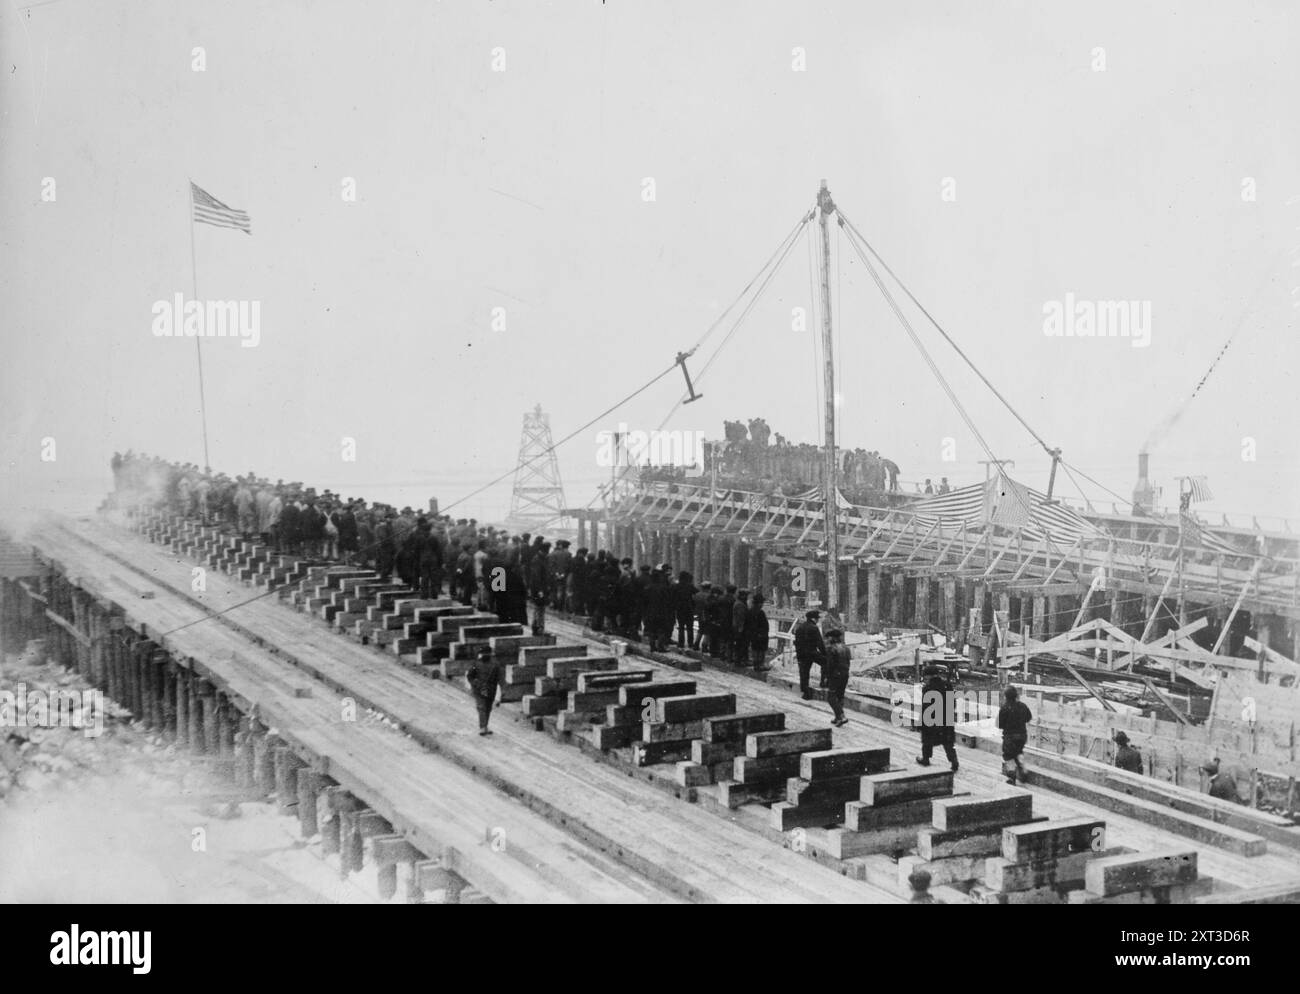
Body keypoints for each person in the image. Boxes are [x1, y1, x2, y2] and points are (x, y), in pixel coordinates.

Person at [916, 663, 958, 772]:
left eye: (925, 677)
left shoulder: (927, 688)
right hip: (946, 719)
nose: (924, 679)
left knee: (927, 740)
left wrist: (921, 723)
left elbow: (926, 707)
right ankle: (954, 762)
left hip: (932, 719)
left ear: (928, 676)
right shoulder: (947, 685)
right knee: (948, 742)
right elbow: (953, 703)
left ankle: (926, 759)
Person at [996, 686, 1032, 785]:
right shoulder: (1023, 706)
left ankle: (1012, 777)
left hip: (1010, 737)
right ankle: (1023, 768)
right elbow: (1029, 718)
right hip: (1022, 736)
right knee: (1018, 752)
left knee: (1008, 756)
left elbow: (999, 725)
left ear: (1006, 697)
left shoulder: (1005, 708)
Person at [466, 648, 501, 736]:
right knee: (481, 707)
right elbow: (470, 676)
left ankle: (485, 726)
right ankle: (482, 727)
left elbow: (499, 678)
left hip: (491, 689)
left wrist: (502, 690)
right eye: (483, 653)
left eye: (487, 653)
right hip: (480, 689)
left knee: (488, 708)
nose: (485, 655)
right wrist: (475, 683)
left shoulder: (495, 665)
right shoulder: (476, 664)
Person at [793, 610, 826, 700]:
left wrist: (798, 654)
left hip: (802, 654)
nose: (818, 620)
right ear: (813, 619)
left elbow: (796, 642)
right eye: (817, 619)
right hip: (812, 653)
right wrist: (825, 654)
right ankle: (823, 682)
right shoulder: (814, 628)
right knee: (826, 663)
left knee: (803, 673)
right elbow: (820, 644)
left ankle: (805, 693)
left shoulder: (800, 627)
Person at [824, 628, 850, 726]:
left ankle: (841, 716)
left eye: (828, 638)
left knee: (831, 697)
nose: (827, 640)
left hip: (835, 675)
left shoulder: (831, 648)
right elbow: (848, 662)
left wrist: (827, 676)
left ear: (832, 638)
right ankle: (837, 717)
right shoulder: (846, 648)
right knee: (840, 696)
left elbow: (830, 665)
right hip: (845, 674)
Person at [746, 593, 770, 670]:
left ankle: (756, 664)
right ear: (759, 603)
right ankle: (760, 665)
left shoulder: (750, 611)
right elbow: (763, 625)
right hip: (761, 635)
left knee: (755, 649)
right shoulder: (760, 612)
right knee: (761, 650)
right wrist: (762, 633)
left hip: (754, 634)